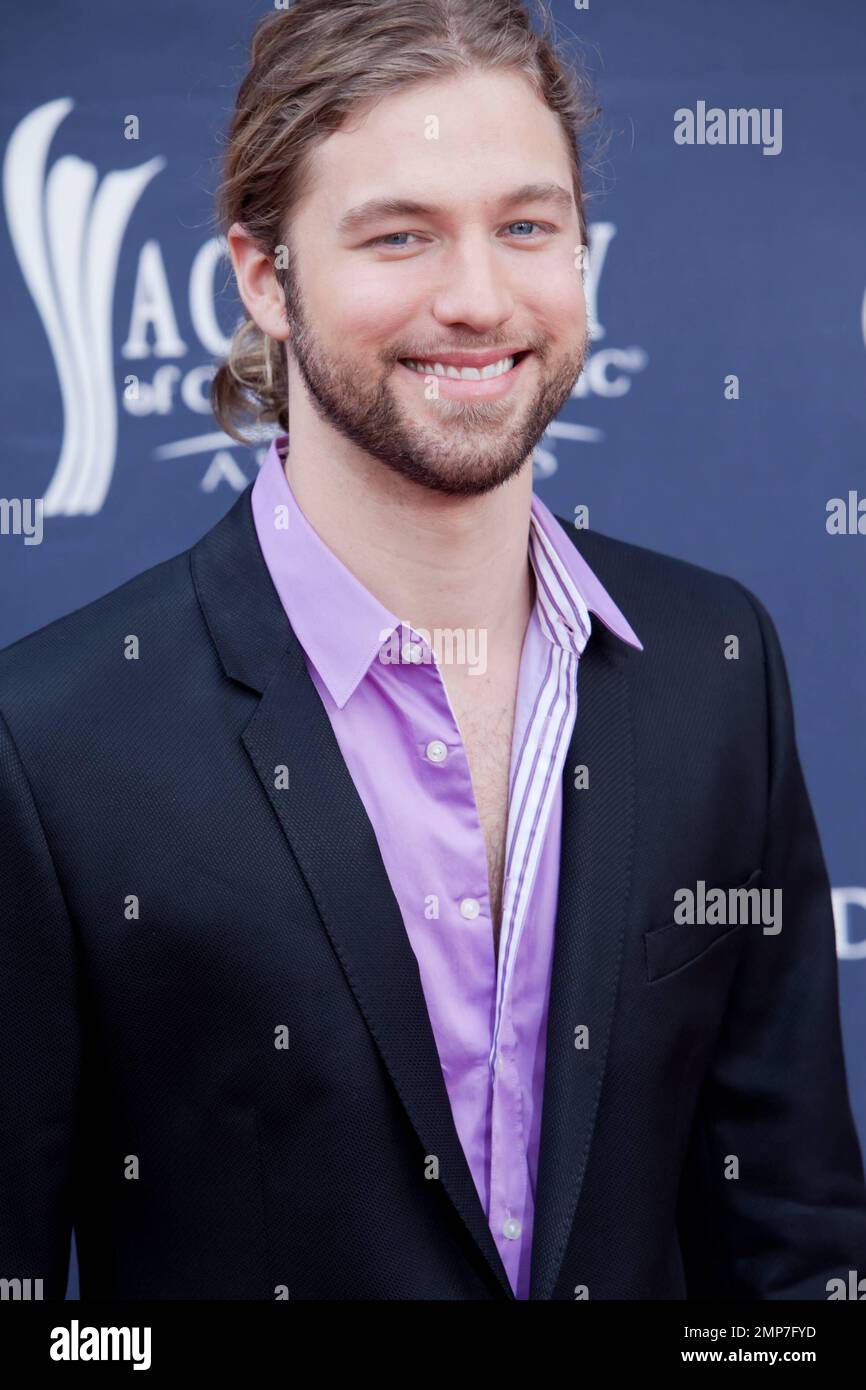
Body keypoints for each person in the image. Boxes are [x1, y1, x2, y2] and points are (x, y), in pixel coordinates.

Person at [1, 0, 864, 1301]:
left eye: (525, 226)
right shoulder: (51, 741)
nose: (475, 297)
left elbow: (791, 1235)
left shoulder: (713, 662)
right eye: (398, 235)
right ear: (261, 276)